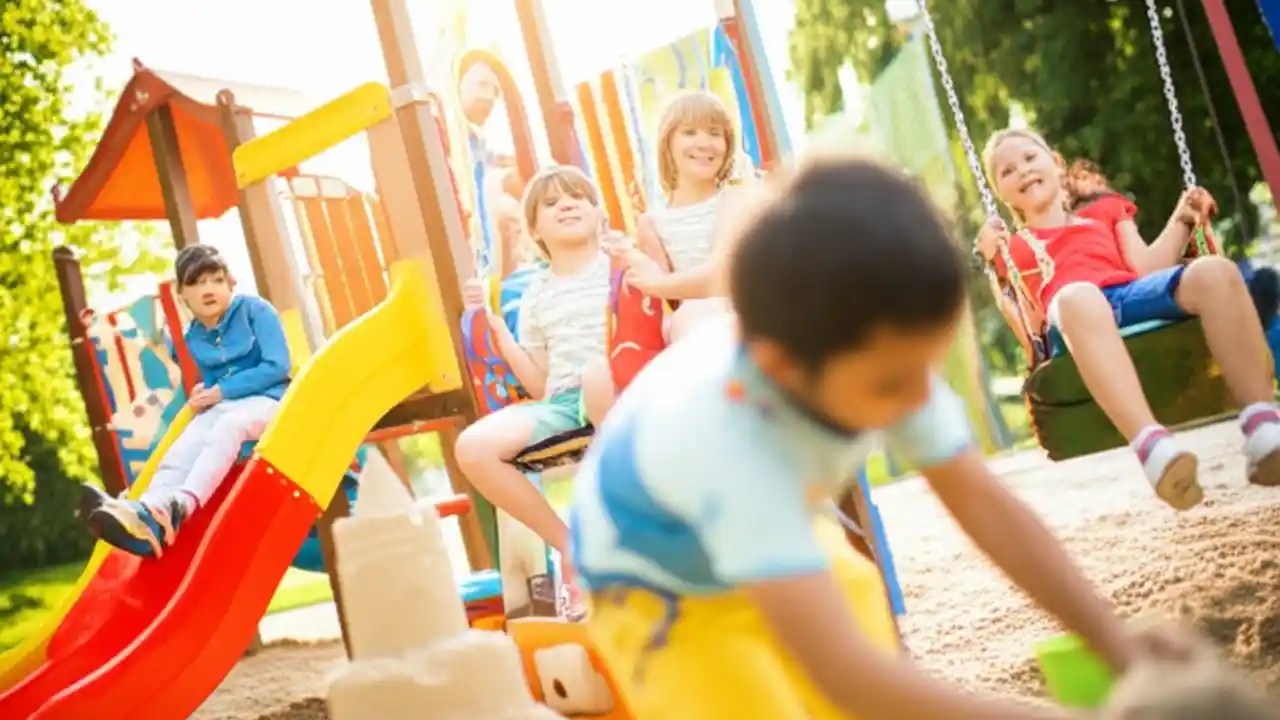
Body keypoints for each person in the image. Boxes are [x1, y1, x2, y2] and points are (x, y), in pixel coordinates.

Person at [569, 156, 1160, 719]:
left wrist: (1120, 649)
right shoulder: (731, 445)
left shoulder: (875, 350)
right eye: (891, 385)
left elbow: (988, 507)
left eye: (922, 369)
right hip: (655, 584)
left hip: (764, 528)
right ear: (783, 369)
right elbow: (849, 681)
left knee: (869, 633)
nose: (912, 403)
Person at [980, 128, 1280, 510]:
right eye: (1007, 171)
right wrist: (994, 264)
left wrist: (1182, 218)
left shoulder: (1103, 216)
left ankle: (1263, 426)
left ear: (1055, 164)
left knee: (1216, 272)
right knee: (1079, 295)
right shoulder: (1014, 246)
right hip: (1074, 317)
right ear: (1001, 194)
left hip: (1128, 295)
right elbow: (1028, 324)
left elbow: (1146, 268)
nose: (1021, 170)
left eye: (1029, 158)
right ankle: (1154, 448)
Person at [455, 165, 611, 594]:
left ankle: (622, 519)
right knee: (471, 447)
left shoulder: (618, 265)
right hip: (564, 402)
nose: (566, 204)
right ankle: (570, 545)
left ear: (599, 213)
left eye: (577, 196)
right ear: (535, 229)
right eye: (551, 202)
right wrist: (498, 331)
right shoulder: (535, 297)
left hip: (623, 386)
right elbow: (542, 386)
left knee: (599, 376)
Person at [79, 245, 290, 558]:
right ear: (182, 293)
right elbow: (203, 384)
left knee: (229, 425)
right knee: (186, 443)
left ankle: (181, 505)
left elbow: (278, 366)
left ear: (229, 283)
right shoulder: (190, 338)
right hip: (224, 406)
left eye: (217, 280)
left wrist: (221, 391)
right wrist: (203, 393)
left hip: (272, 402)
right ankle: (148, 511)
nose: (209, 289)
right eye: (197, 283)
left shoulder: (255, 311)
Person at [583, 91, 741, 422]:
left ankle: (718, 418)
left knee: (696, 314)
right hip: (687, 320)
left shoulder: (734, 200)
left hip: (736, 304)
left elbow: (721, 276)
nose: (705, 142)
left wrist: (662, 284)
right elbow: (663, 299)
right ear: (668, 144)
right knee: (599, 374)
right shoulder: (652, 222)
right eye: (690, 132)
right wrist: (629, 258)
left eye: (715, 134)